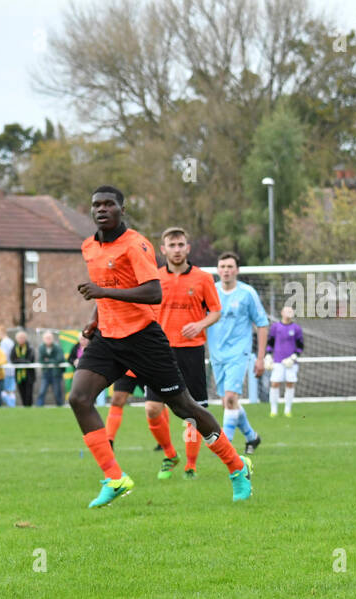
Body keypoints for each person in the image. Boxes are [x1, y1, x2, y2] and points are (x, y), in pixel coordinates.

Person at [68, 185, 252, 506]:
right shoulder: (89, 247)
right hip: (108, 338)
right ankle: (114, 478)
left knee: (186, 408)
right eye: (96, 204)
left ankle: (236, 467)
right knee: (79, 398)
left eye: (109, 204)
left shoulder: (136, 245)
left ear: (121, 210)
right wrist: (97, 318)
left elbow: (154, 292)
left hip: (143, 339)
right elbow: (108, 288)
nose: (101, 209)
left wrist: (102, 293)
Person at [154, 226, 223, 479]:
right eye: (172, 245)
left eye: (181, 245)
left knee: (192, 409)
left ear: (188, 248)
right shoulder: (154, 278)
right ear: (163, 250)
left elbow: (216, 311)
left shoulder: (203, 278)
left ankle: (191, 465)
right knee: (152, 408)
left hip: (191, 351)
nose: (177, 249)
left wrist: (201, 324)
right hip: (160, 351)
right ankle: (170, 454)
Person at [211, 252, 268, 454]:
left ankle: (225, 448)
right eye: (222, 266)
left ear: (237, 270)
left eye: (230, 266)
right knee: (227, 402)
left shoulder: (247, 293)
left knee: (230, 398)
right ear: (217, 270)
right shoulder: (210, 291)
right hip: (217, 354)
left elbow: (262, 324)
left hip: (239, 353)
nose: (226, 270)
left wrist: (260, 358)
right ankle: (252, 437)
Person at [266, 305, 305, 417]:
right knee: (274, 383)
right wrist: (268, 355)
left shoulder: (296, 328)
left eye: (291, 311)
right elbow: (270, 343)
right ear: (282, 312)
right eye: (287, 311)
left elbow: (300, 346)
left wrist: (294, 357)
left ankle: (287, 410)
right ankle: (273, 410)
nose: (289, 313)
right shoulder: (275, 327)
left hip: (290, 363)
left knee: (290, 384)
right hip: (278, 361)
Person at [36, 331, 65, 407]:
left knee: (57, 392)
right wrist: (52, 361)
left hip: (56, 373)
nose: (48, 339)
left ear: (52, 339)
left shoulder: (57, 347)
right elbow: (41, 360)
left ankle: (60, 406)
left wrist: (48, 360)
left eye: (49, 338)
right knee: (42, 391)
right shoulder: (41, 347)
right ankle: (39, 407)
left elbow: (60, 359)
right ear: (43, 339)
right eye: (46, 338)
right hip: (46, 373)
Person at [11, 329, 34, 406]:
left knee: (29, 393)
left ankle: (29, 407)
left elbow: (29, 360)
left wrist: (19, 360)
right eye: (19, 338)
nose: (21, 339)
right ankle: (24, 407)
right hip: (18, 375)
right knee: (22, 392)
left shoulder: (30, 347)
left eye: (22, 337)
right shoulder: (14, 348)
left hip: (29, 375)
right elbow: (13, 360)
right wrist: (23, 360)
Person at [0, 324, 16, 405]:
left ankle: (11, 405)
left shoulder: (4, 342)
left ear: (1, 332)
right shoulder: (10, 341)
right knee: (9, 390)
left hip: (7, 370)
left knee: (7, 390)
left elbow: (4, 356)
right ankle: (11, 405)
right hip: (10, 369)